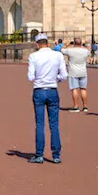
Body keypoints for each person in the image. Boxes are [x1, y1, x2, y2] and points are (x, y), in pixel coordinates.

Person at [27, 34, 67, 163]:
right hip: (52, 90)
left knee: (40, 124)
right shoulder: (58, 55)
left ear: (37, 44)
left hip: (39, 90)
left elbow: (30, 77)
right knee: (54, 124)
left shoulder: (33, 56)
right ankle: (56, 155)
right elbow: (64, 75)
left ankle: (39, 154)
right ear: (48, 43)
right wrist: (57, 78)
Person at [62, 38, 90, 113]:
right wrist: (82, 45)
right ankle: (85, 106)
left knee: (74, 89)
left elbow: (61, 50)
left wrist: (67, 45)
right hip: (83, 72)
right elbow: (88, 51)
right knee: (83, 89)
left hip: (73, 72)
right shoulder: (85, 51)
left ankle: (76, 106)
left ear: (74, 43)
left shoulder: (70, 50)